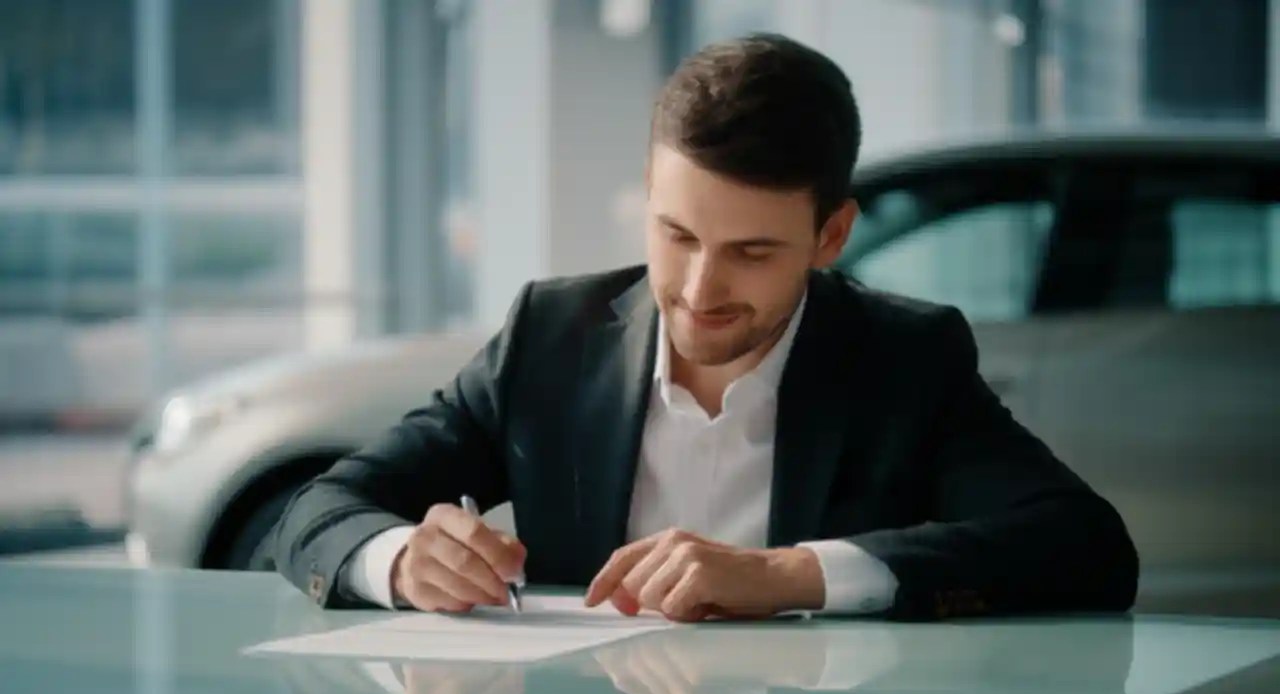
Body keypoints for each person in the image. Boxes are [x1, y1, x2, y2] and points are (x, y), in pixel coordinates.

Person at [272, 33, 1138, 622]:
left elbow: (1087, 549)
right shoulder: (551, 335)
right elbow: (319, 509)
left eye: (752, 251)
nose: (697, 288)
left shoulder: (902, 358)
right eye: (675, 234)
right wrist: (395, 560)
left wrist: (787, 573)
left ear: (831, 235)